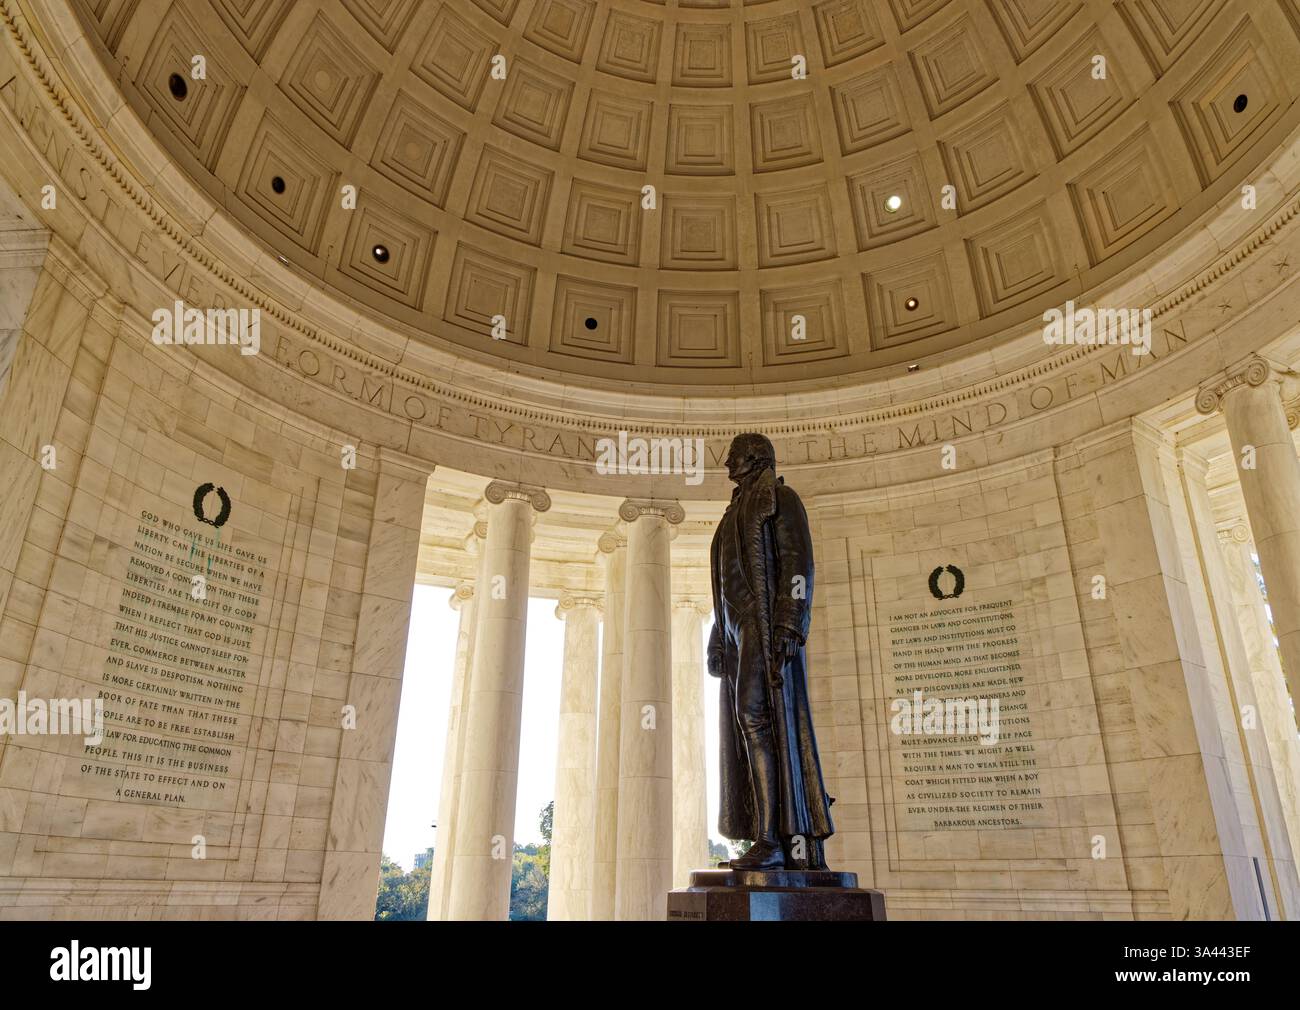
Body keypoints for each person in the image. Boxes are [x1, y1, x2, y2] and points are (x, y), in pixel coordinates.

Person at [707, 433, 835, 871]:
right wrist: (716, 637)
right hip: (738, 630)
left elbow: (799, 565)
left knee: (756, 717)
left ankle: (774, 840)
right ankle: (764, 835)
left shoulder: (781, 499)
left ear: (755, 457)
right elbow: (723, 587)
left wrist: (789, 621)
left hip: (765, 627)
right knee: (748, 725)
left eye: (734, 456)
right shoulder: (729, 518)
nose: (727, 464)